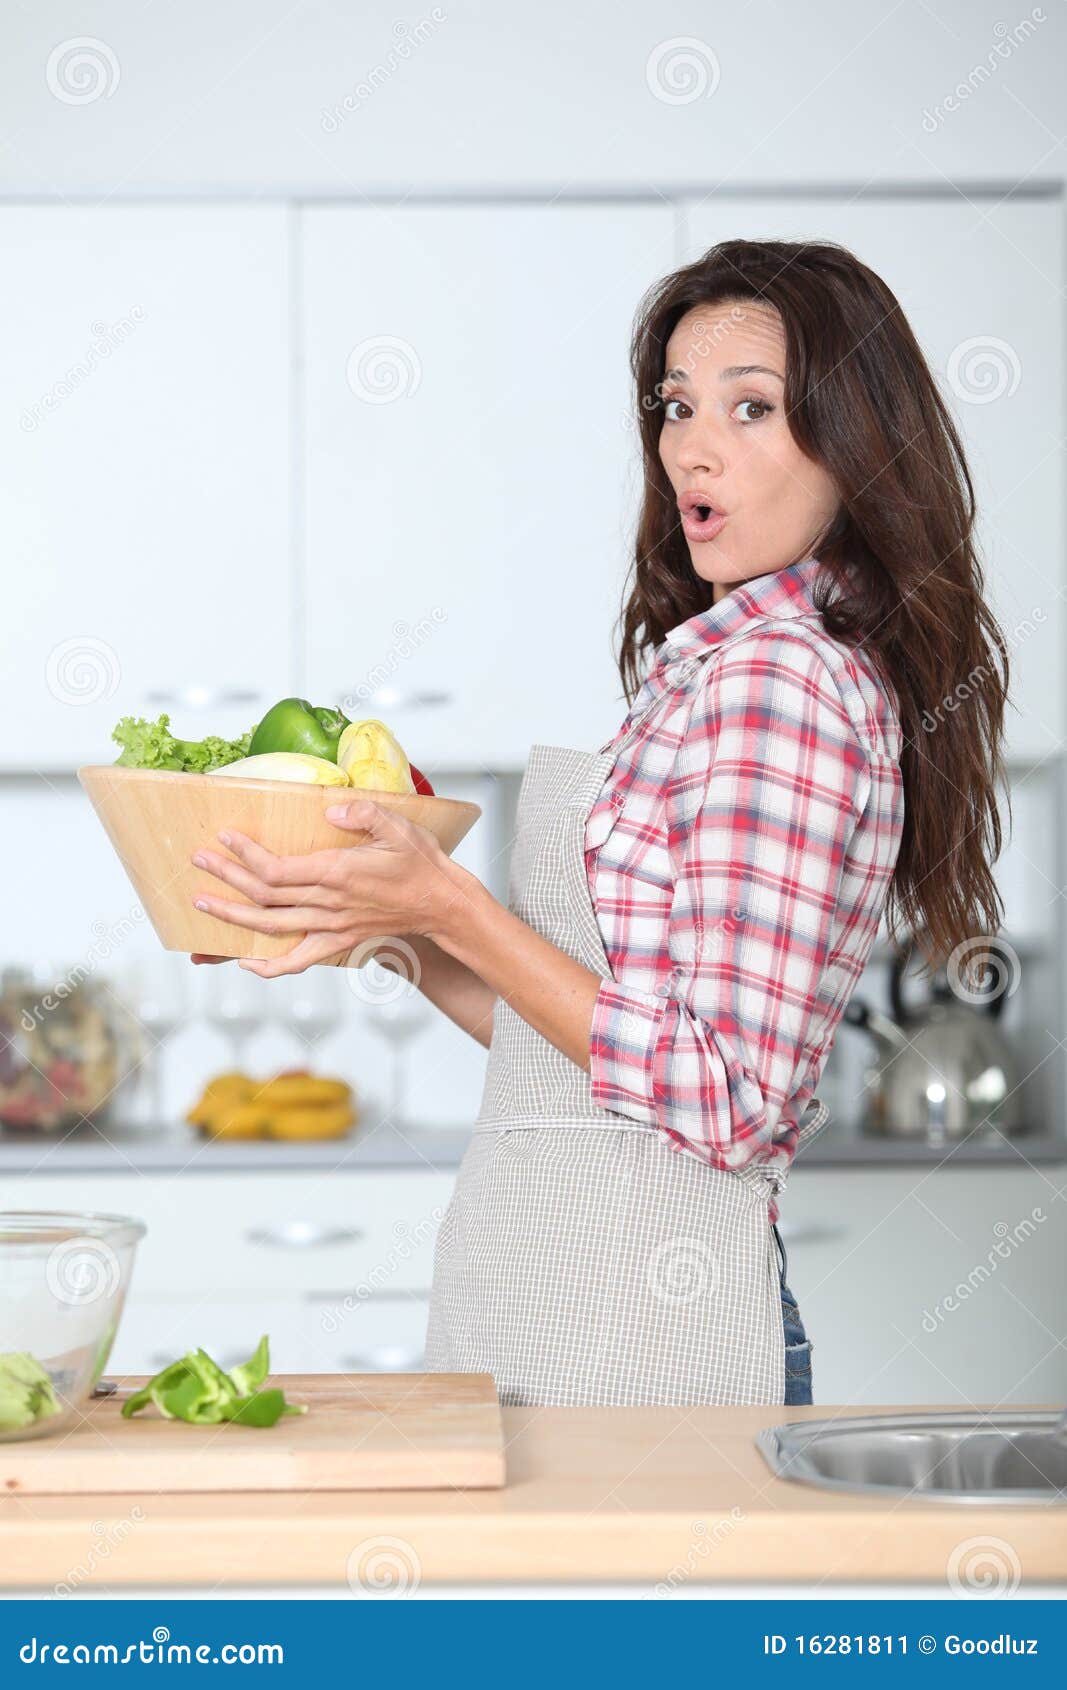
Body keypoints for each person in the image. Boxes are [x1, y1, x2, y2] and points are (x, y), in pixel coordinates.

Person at [191, 239, 1010, 1408]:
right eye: (676, 405)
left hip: (644, 1338)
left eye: (750, 407)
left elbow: (726, 1098)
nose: (691, 447)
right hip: (549, 1311)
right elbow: (569, 1064)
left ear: (853, 442)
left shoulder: (779, 681)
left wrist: (450, 905)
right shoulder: (707, 671)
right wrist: (385, 921)